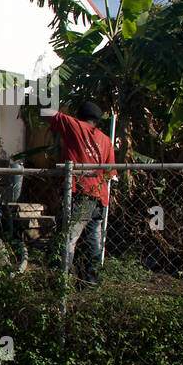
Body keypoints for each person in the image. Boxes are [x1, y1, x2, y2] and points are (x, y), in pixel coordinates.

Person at [49, 102, 116, 286]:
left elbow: (49, 114)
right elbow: (110, 173)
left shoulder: (75, 126)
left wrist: (36, 91)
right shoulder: (106, 140)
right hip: (100, 197)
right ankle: (91, 281)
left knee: (68, 238)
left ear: (79, 116)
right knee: (94, 241)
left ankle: (61, 281)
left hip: (80, 193)